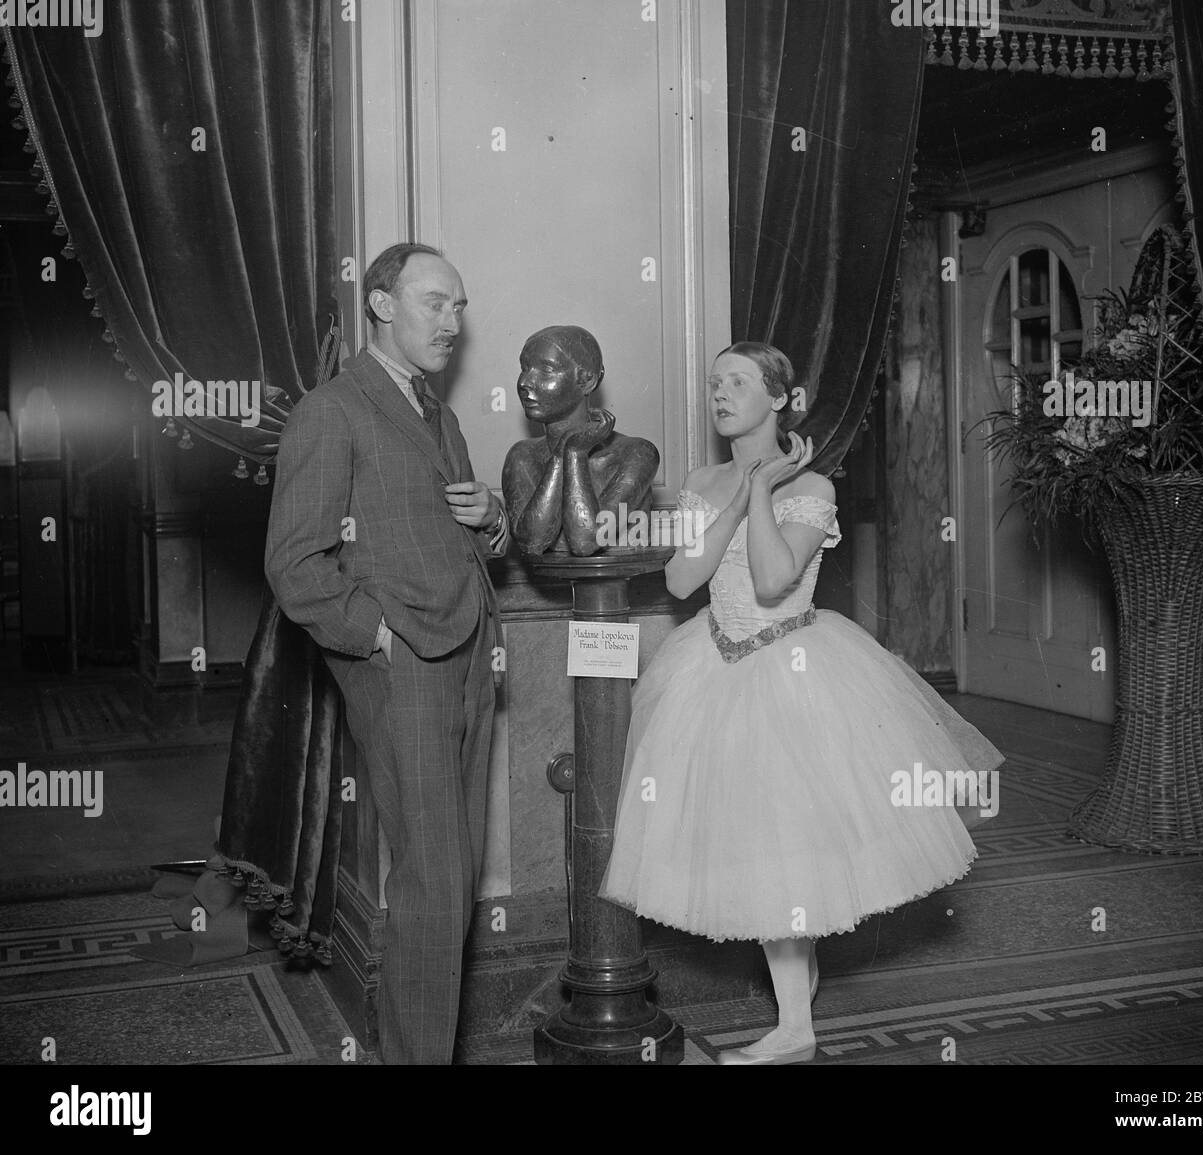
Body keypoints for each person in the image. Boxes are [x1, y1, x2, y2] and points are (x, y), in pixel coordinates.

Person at [599, 341, 1003, 1065]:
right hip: (712, 664)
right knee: (759, 842)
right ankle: (798, 996)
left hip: (790, 668)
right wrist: (738, 490)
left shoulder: (815, 486)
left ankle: (794, 1029)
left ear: (782, 399)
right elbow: (687, 578)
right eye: (716, 381)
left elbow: (774, 577)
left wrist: (762, 492)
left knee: (784, 844)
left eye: (739, 382)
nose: (720, 393)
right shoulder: (701, 477)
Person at [264, 243, 508, 1065]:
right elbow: (295, 563)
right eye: (436, 302)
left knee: (451, 882)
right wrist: (378, 637)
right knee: (434, 885)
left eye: (459, 306)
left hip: (469, 655)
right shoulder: (331, 410)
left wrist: (494, 517)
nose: (453, 321)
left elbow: (460, 534)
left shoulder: (433, 411)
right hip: (405, 667)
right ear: (379, 303)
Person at [502, 325, 659, 556]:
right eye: (524, 368)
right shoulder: (521, 456)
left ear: (587, 381)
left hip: (618, 588)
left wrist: (575, 454)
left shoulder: (636, 453)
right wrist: (560, 455)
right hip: (556, 588)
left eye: (546, 370)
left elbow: (585, 541)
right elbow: (533, 542)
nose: (525, 381)